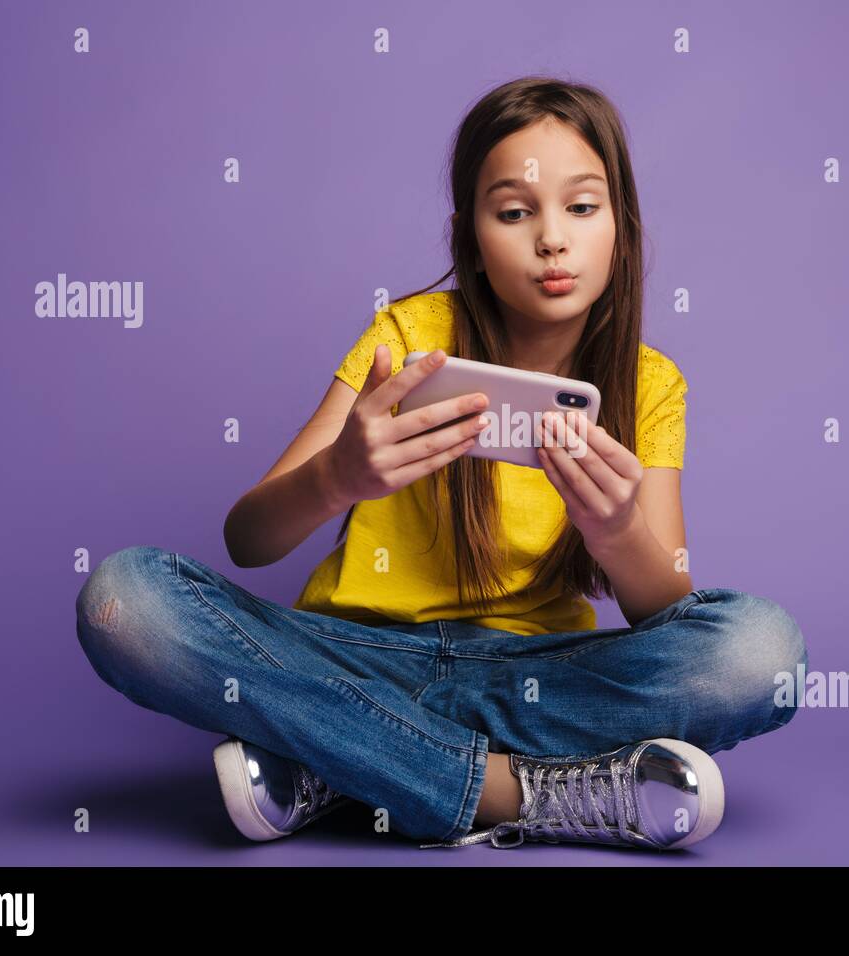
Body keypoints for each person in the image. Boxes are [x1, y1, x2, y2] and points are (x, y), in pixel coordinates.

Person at [75, 75, 808, 852]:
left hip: (532, 676)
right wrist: (337, 478)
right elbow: (246, 540)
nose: (552, 239)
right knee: (125, 598)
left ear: (621, 227)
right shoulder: (407, 334)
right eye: (515, 212)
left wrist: (618, 531)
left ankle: (343, 759)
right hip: (353, 657)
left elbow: (666, 615)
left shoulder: (651, 383)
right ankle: (519, 793)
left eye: (582, 208)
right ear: (472, 239)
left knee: (760, 650)